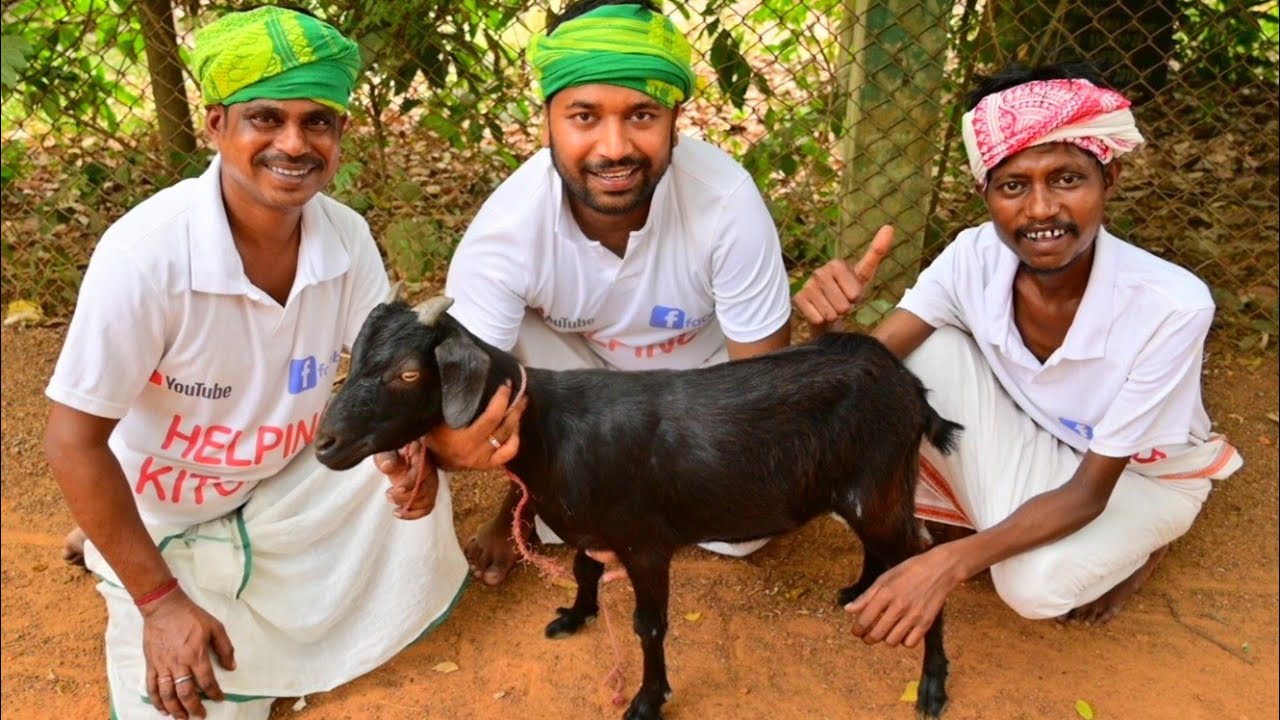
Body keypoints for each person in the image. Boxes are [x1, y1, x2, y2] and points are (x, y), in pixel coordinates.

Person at [43, 7, 471, 719]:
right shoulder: (145, 255)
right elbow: (72, 441)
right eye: (265, 119)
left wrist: (402, 458)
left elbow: (382, 378)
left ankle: (188, 561)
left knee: (413, 476)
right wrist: (161, 604)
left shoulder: (345, 236)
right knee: (186, 697)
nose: (294, 144)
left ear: (339, 134)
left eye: (317, 122)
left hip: (282, 475)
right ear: (217, 126)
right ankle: (128, 559)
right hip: (161, 498)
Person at [792, 62, 1244, 648]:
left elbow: (1088, 492)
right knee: (897, 375)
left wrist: (947, 565)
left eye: (1067, 179)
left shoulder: (1172, 304)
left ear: (1111, 177)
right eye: (1013, 186)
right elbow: (858, 378)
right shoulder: (972, 256)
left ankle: (1143, 545)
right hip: (1038, 438)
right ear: (984, 192)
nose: (1040, 209)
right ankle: (996, 527)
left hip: (1139, 476)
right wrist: (830, 330)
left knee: (1032, 587)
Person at [431, 0, 795, 586]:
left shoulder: (726, 201)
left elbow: (761, 399)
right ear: (547, 120)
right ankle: (527, 502)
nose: (614, 147)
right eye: (584, 116)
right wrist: (441, 450)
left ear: (676, 119)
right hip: (577, 383)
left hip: (697, 386)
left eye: (642, 115)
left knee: (753, 520)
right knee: (486, 356)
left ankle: (592, 508)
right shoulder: (507, 230)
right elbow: (462, 410)